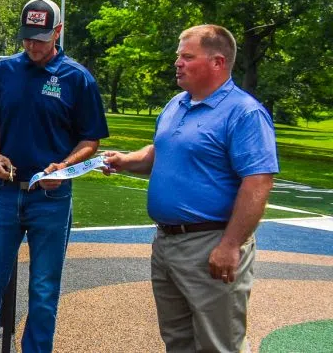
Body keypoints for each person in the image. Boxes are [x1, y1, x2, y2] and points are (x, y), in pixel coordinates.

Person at [104, 25, 277, 353]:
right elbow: (159, 152)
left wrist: (230, 245)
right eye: (177, 56)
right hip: (167, 243)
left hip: (211, 244)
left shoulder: (244, 112)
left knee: (219, 344)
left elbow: (258, 182)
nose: (177, 63)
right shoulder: (176, 104)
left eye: (187, 56)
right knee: (177, 341)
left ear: (217, 62)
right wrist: (126, 160)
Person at [0, 0, 108, 353]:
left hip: (51, 198)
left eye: (41, 38)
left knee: (43, 288)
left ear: (57, 32)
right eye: (27, 37)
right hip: (4, 190)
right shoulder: (5, 72)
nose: (32, 45)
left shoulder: (78, 78)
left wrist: (66, 166)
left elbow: (91, 139)